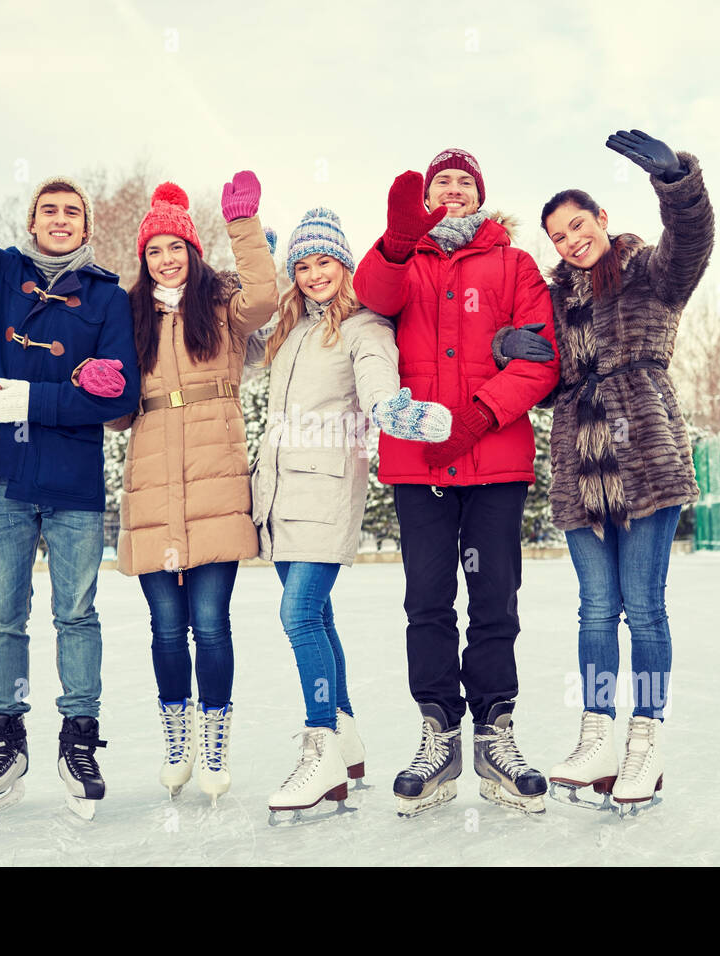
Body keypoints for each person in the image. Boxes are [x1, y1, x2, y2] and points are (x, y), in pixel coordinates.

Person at [0, 69, 141, 819]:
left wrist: (40, 397)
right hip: (1, 479)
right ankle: (6, 735)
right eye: (48, 209)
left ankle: (79, 734)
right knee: (1, 616)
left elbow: (123, 396)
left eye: (70, 211)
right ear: (34, 219)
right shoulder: (0, 276)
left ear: (86, 226)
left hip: (75, 483)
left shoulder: (108, 298)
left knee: (76, 615)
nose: (58, 218)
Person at [502, 129, 714, 813]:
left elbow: (694, 244)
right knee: (596, 608)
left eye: (577, 225)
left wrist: (678, 183)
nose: (570, 241)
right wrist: (519, 349)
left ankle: (644, 745)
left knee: (644, 610)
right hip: (580, 463)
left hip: (644, 457)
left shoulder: (649, 270)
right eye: (558, 236)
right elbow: (541, 375)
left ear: (601, 220)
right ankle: (596, 737)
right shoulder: (556, 300)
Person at [352, 149, 561, 816]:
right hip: (418, 464)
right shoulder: (402, 260)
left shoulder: (515, 264)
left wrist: (478, 416)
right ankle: (437, 734)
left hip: (495, 458)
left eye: (463, 182)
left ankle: (497, 732)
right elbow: (372, 298)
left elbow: (542, 357)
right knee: (428, 599)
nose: (452, 189)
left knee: (495, 598)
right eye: (442, 181)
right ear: (426, 196)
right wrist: (394, 240)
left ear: (479, 197)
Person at [242, 208, 451, 823]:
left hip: (328, 491)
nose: (312, 276)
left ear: (345, 263)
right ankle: (348, 738)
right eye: (301, 267)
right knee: (318, 616)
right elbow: (237, 336)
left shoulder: (364, 326)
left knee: (299, 612)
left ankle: (321, 744)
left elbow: (378, 384)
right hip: (278, 496)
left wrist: (398, 413)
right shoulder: (289, 327)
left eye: (322, 263)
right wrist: (258, 263)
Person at [99, 176, 277, 806]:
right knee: (167, 630)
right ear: (143, 260)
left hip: (215, 486)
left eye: (176, 246)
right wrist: (99, 386)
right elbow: (120, 413)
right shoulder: (129, 314)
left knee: (212, 623)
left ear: (192, 250)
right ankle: (176, 739)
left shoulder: (221, 303)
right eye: (155, 250)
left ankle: (214, 743)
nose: (166, 258)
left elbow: (266, 297)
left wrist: (245, 228)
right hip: (150, 487)